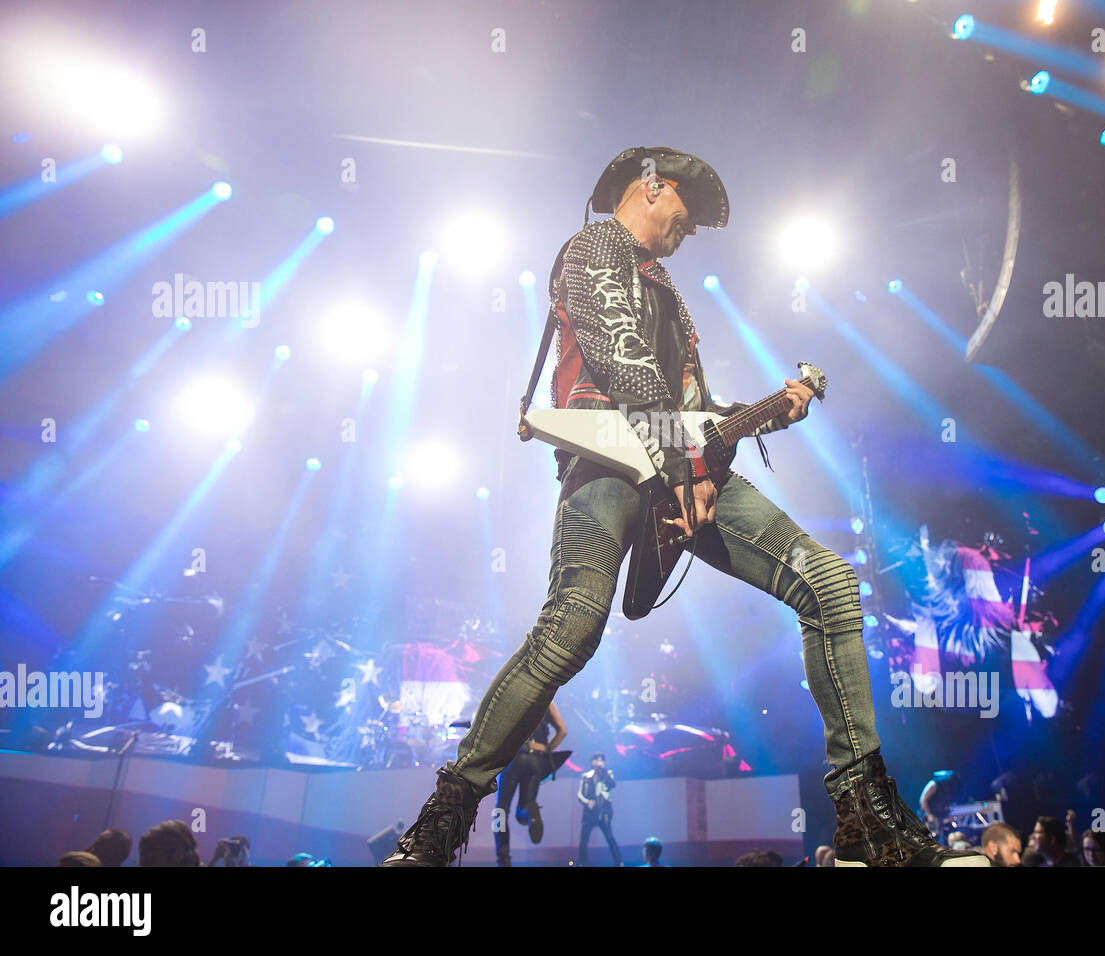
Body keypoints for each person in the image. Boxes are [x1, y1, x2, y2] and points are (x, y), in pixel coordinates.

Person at [381, 145, 987, 868]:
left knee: (828, 582)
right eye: (686, 215)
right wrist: (680, 467)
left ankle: (867, 820)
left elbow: (692, 410)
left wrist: (762, 414)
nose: (689, 231)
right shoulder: (595, 245)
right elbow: (620, 357)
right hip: (609, 459)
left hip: (679, 460)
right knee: (570, 628)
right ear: (652, 186)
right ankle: (443, 820)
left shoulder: (669, 289)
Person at [493, 701, 566, 866]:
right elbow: (563, 730)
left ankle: (503, 858)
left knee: (500, 810)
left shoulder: (516, 694)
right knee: (524, 808)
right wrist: (546, 748)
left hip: (514, 758)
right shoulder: (548, 700)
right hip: (536, 760)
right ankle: (529, 811)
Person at [577, 753, 621, 867]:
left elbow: (612, 785)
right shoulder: (585, 776)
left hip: (603, 811)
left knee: (609, 837)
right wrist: (587, 802)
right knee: (584, 839)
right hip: (589, 812)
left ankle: (618, 862)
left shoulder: (608, 774)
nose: (599, 762)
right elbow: (579, 794)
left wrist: (604, 771)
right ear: (592, 762)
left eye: (601, 760)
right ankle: (582, 863)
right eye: (597, 760)